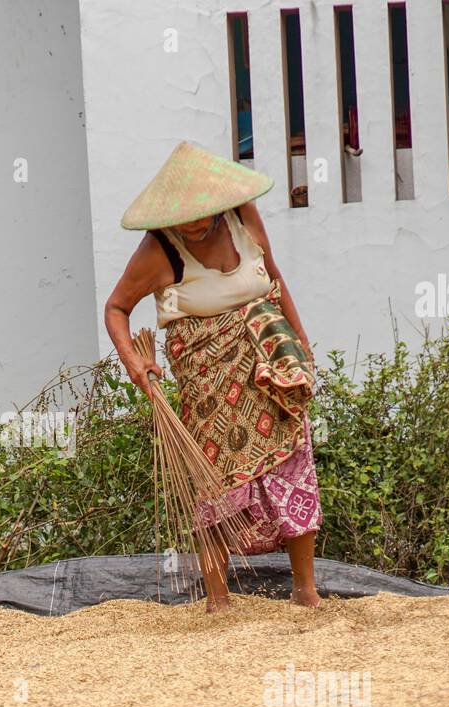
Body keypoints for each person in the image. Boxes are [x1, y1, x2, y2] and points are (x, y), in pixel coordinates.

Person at [104, 141, 322, 611]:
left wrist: (301, 347)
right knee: (216, 482)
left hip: (270, 371)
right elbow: (117, 307)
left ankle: (306, 591)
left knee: (292, 466)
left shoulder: (243, 216)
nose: (197, 224)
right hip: (209, 384)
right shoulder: (158, 250)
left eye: (205, 214)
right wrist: (133, 361)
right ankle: (217, 600)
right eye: (187, 217)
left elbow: (273, 277)